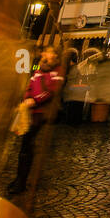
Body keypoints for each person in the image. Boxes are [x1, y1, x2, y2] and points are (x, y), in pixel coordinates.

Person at [8, 44, 64, 197]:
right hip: (30, 111)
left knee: (27, 144)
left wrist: (35, 100)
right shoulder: (39, 69)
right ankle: (19, 178)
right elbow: (30, 86)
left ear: (56, 57)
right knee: (25, 145)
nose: (45, 54)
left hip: (41, 113)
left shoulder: (57, 71)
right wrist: (27, 98)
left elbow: (51, 91)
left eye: (49, 52)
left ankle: (21, 181)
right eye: (45, 51)